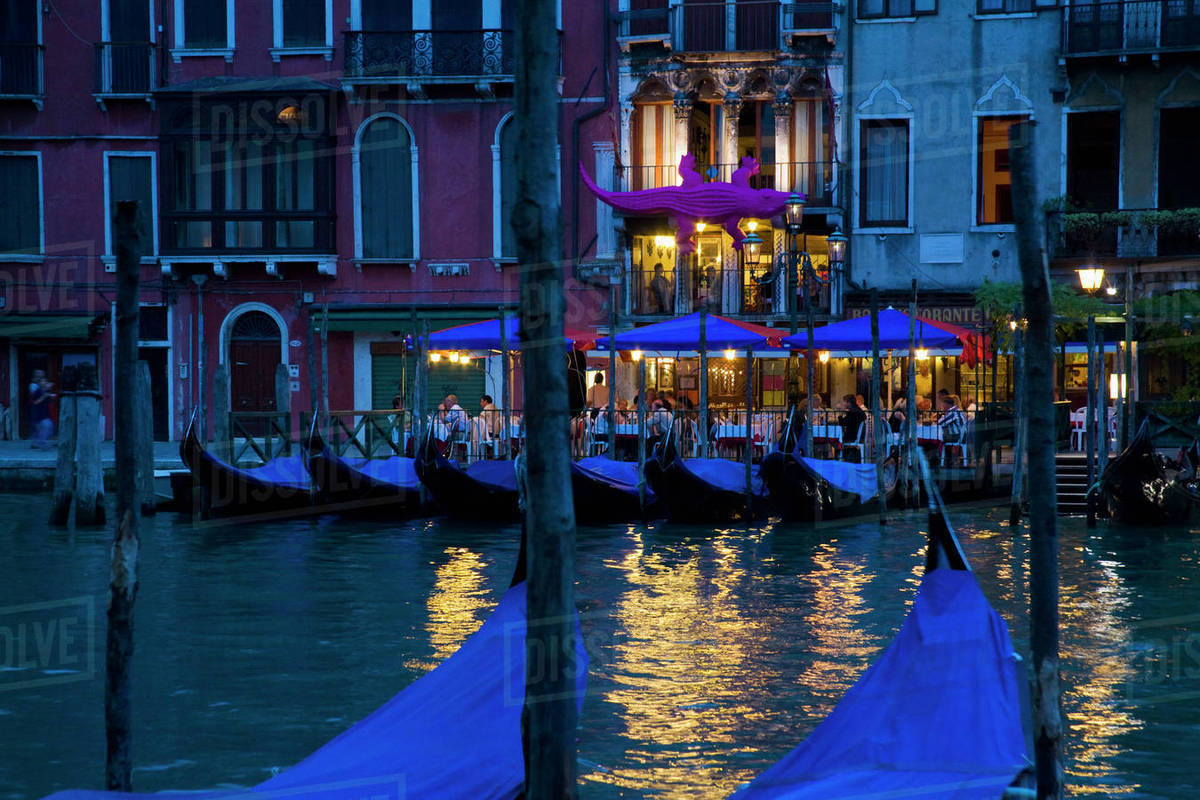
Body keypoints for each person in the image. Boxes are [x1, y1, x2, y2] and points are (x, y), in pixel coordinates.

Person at [28, 370, 54, 449]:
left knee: (45, 427)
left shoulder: (44, 390)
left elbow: (49, 400)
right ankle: (40, 443)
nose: (45, 383)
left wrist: (49, 395)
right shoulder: (36, 389)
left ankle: (37, 443)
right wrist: (45, 396)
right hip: (37, 412)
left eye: (45, 381)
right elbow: (35, 402)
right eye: (43, 381)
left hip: (44, 412)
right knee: (43, 427)